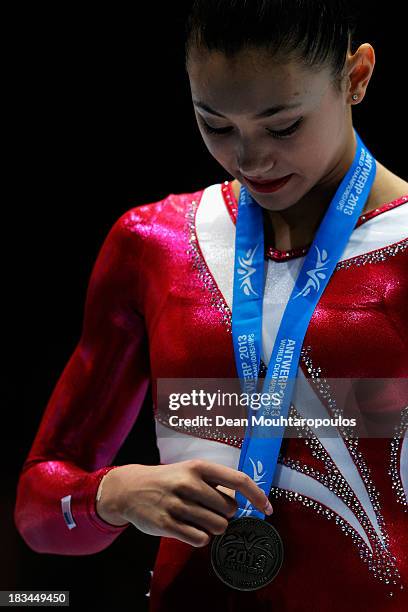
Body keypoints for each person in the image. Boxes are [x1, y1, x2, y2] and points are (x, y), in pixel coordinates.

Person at [14, 1, 408, 610]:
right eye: (216, 125)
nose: (250, 160)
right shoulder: (152, 246)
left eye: (282, 126)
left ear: (356, 78)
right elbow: (39, 509)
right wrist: (113, 493)